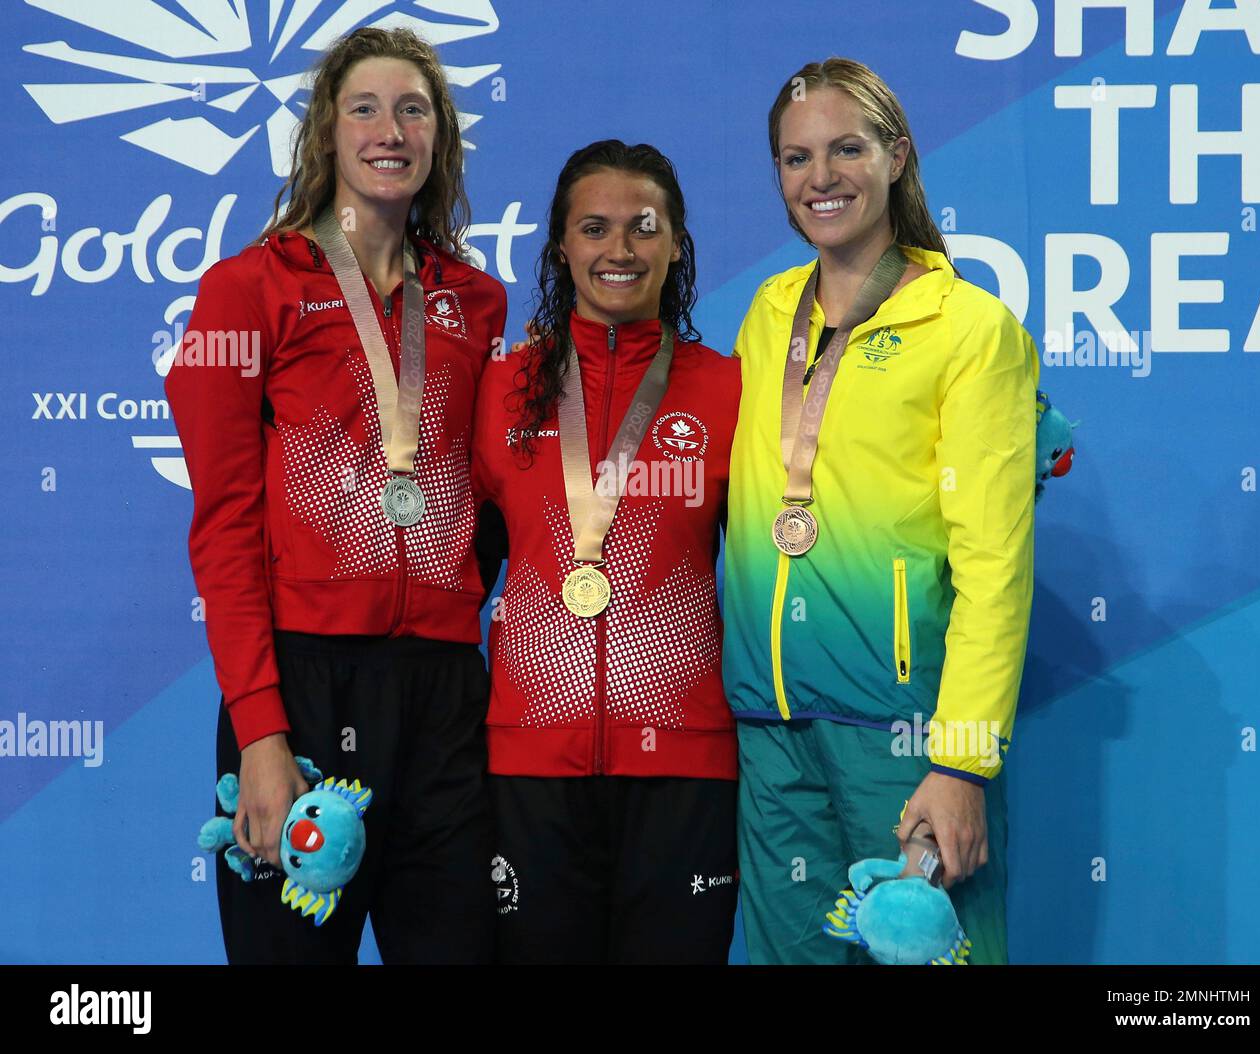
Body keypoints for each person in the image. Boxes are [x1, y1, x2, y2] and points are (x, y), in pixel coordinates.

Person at [165, 26, 507, 964]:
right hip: (304, 688)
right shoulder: (244, 292)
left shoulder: (473, 302)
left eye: (413, 109)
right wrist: (262, 737)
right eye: (364, 107)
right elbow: (225, 529)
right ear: (325, 134)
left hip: (443, 694)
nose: (389, 130)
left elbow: (483, 495)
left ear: (440, 138)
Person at [723, 58, 1039, 964]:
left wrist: (963, 762)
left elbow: (996, 566)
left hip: (905, 738)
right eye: (796, 158)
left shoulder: (972, 331)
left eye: (847, 149)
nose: (821, 178)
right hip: (772, 729)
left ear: (897, 156)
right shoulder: (768, 311)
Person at [472, 140, 742, 964]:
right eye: (595, 228)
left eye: (643, 228)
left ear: (677, 243)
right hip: (530, 768)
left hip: (685, 771)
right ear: (562, 245)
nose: (619, 250)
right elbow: (453, 567)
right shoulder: (500, 388)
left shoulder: (730, 387)